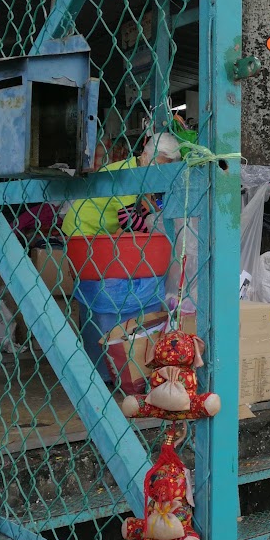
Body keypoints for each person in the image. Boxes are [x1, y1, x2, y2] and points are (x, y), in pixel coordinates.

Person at [62, 131, 183, 389]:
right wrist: (155, 227)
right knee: (100, 286)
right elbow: (128, 220)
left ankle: (109, 366)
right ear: (146, 158)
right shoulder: (128, 175)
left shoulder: (135, 171)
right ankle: (109, 368)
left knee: (102, 293)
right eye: (161, 166)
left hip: (98, 232)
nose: (162, 173)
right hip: (84, 230)